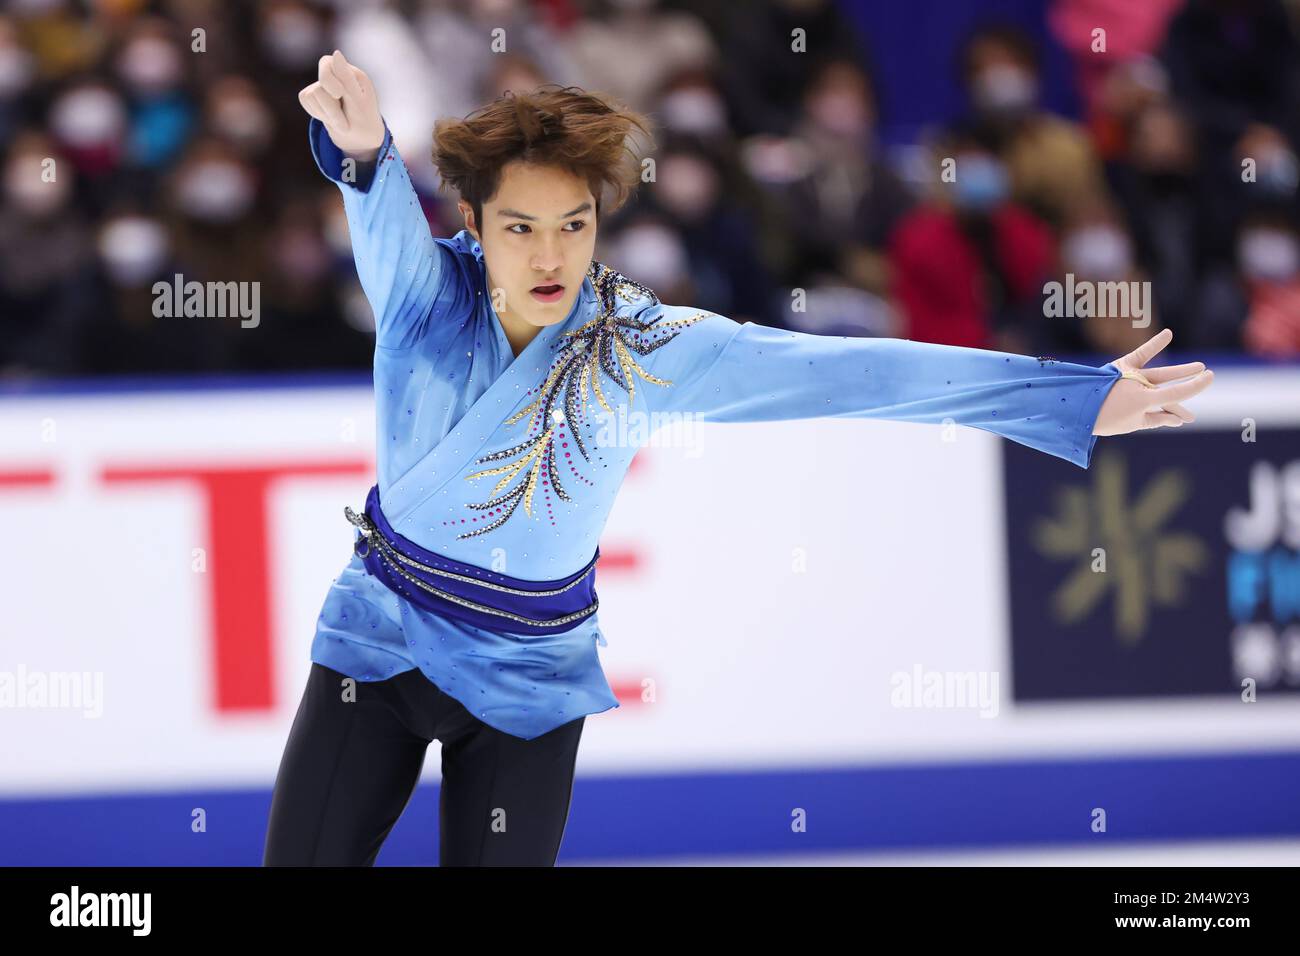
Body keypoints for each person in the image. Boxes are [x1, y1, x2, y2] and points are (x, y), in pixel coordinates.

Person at [264, 50, 1215, 867]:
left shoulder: (641, 345)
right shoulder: (426, 299)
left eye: (575, 225)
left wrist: (1074, 398)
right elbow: (378, 203)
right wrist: (362, 149)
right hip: (379, 646)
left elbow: (859, 375)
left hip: (530, 683)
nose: (552, 256)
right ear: (472, 222)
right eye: (520, 227)